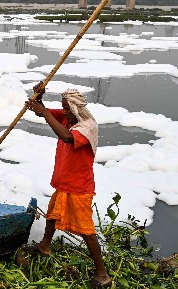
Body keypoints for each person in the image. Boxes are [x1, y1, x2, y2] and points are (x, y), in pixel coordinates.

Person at [23, 82, 111, 288]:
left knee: (87, 231)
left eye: (65, 108)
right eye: (62, 108)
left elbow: (67, 136)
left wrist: (44, 111)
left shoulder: (86, 126)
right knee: (52, 216)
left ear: (74, 109)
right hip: (65, 182)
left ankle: (103, 274)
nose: (62, 111)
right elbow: (39, 111)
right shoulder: (67, 118)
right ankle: (44, 246)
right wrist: (39, 96)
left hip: (79, 187)